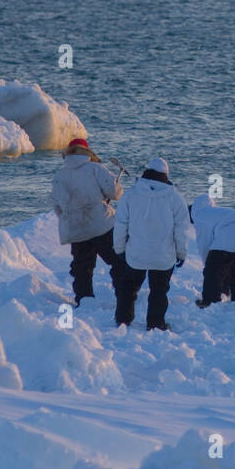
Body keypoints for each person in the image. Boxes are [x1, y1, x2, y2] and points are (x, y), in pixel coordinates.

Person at [111, 157, 189, 331]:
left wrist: (119, 248)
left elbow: (120, 224)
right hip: (164, 255)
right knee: (159, 291)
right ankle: (156, 323)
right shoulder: (175, 198)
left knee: (128, 288)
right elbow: (181, 230)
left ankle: (123, 320)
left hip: (135, 253)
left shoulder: (130, 195)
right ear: (165, 175)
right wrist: (181, 253)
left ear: (146, 173)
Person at [51, 137, 123, 306]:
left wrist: (70, 218)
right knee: (119, 260)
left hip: (75, 228)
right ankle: (124, 294)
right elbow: (115, 193)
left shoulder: (59, 176)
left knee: (82, 267)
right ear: (87, 151)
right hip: (101, 224)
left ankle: (84, 301)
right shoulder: (95, 168)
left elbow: (57, 206)